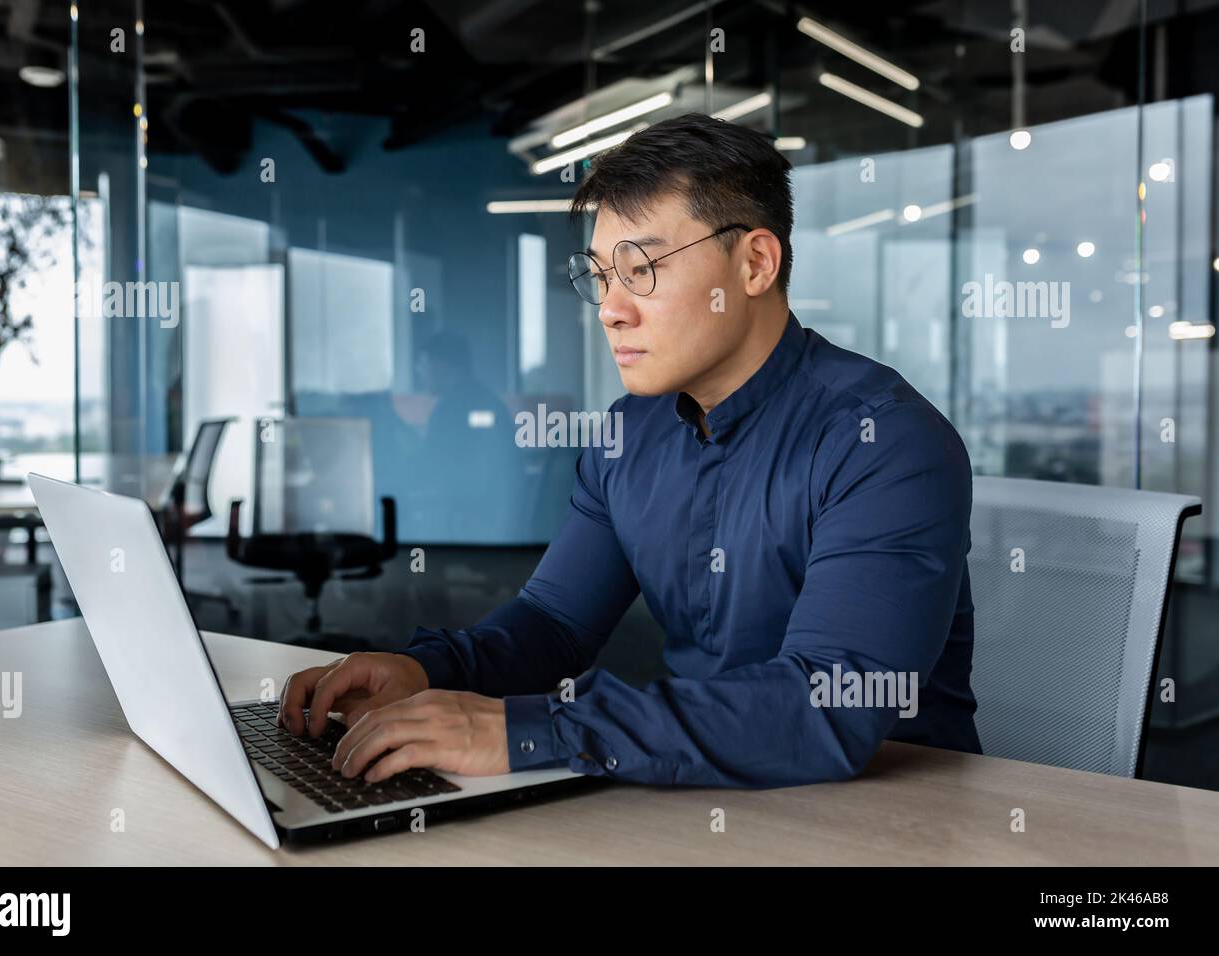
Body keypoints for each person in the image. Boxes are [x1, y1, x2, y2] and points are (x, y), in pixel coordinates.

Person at [278, 112, 981, 788]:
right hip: (700, 794)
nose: (612, 308)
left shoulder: (883, 441)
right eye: (602, 276)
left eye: (641, 269)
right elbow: (553, 627)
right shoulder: (628, 435)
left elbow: (827, 707)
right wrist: (427, 672)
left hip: (889, 814)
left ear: (756, 263)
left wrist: (529, 731)